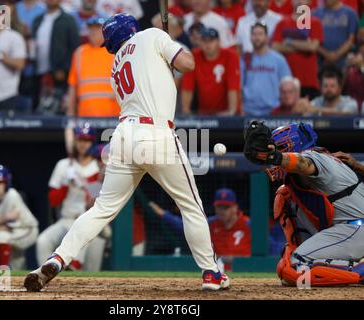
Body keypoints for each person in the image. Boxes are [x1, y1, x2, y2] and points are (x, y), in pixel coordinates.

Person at [24, 13, 229, 292]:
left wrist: (166, 54)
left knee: (102, 209)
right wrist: (172, 44)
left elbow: (156, 78)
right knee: (190, 206)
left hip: (122, 136)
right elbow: (188, 64)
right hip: (156, 133)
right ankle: (211, 272)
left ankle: (58, 258)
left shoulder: (115, 65)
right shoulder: (154, 35)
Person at [244, 121, 364, 286]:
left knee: (296, 265)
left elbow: (303, 163)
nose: (273, 154)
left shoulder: (315, 157)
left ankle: (360, 271)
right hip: (344, 231)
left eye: (279, 148)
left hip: (356, 229)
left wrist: (275, 156)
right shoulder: (299, 178)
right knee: (284, 195)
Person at [36, 123, 110, 271]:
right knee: (43, 241)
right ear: (74, 141)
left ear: (92, 142)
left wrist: (86, 184)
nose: (83, 144)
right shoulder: (64, 165)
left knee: (91, 266)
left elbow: (96, 201)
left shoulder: (99, 167)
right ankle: (44, 274)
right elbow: (52, 200)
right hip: (66, 220)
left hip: (90, 219)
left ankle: (72, 267)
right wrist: (66, 184)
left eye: (87, 140)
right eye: (79, 140)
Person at [150, 188, 251, 271]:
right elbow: (186, 226)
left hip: (247, 272)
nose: (222, 211)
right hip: (219, 272)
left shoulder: (249, 225)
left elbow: (266, 246)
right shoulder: (211, 223)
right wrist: (164, 214)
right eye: (219, 207)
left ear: (235, 207)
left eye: (226, 207)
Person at [0, 165, 39, 269]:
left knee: (2, 236)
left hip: (27, 230)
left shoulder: (12, 195)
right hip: (13, 231)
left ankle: (2, 272)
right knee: (17, 265)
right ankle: (14, 281)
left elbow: (1, 226)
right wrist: (5, 218)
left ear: (6, 183)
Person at [66, 15, 119, 117]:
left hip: (113, 117)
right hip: (85, 116)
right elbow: (73, 86)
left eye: (98, 28)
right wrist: (70, 114)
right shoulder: (79, 53)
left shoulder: (115, 52)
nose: (93, 32)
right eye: (91, 28)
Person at [181, 27, 241, 115]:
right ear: (200, 43)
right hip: (204, 113)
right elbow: (187, 87)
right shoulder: (194, 56)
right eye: (204, 41)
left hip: (227, 112)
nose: (207, 44)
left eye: (211, 41)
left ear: (218, 42)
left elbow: (233, 87)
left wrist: (231, 112)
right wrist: (186, 112)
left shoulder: (230, 56)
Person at [272, 0, 323, 99]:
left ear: (309, 2)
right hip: (286, 81)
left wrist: (289, 42)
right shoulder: (282, 23)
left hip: (308, 81)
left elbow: (312, 47)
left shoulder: (315, 22)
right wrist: (304, 46)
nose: (299, 1)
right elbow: (275, 47)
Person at [32, 0, 80, 106]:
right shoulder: (37, 20)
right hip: (39, 72)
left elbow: (75, 47)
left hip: (60, 73)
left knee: (58, 106)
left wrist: (64, 68)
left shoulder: (68, 20)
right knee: (39, 107)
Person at [241, 22, 292, 116]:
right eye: (254, 34)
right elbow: (239, 86)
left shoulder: (279, 59)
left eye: (260, 34)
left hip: (273, 110)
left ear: (267, 37)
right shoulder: (245, 59)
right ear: (250, 37)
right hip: (248, 110)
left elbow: (288, 85)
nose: (257, 37)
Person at [313, 0, 359, 68]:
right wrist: (326, 54)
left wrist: (336, 55)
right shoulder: (315, 13)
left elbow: (351, 39)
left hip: (344, 61)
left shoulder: (350, 13)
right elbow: (311, 39)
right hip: (320, 60)